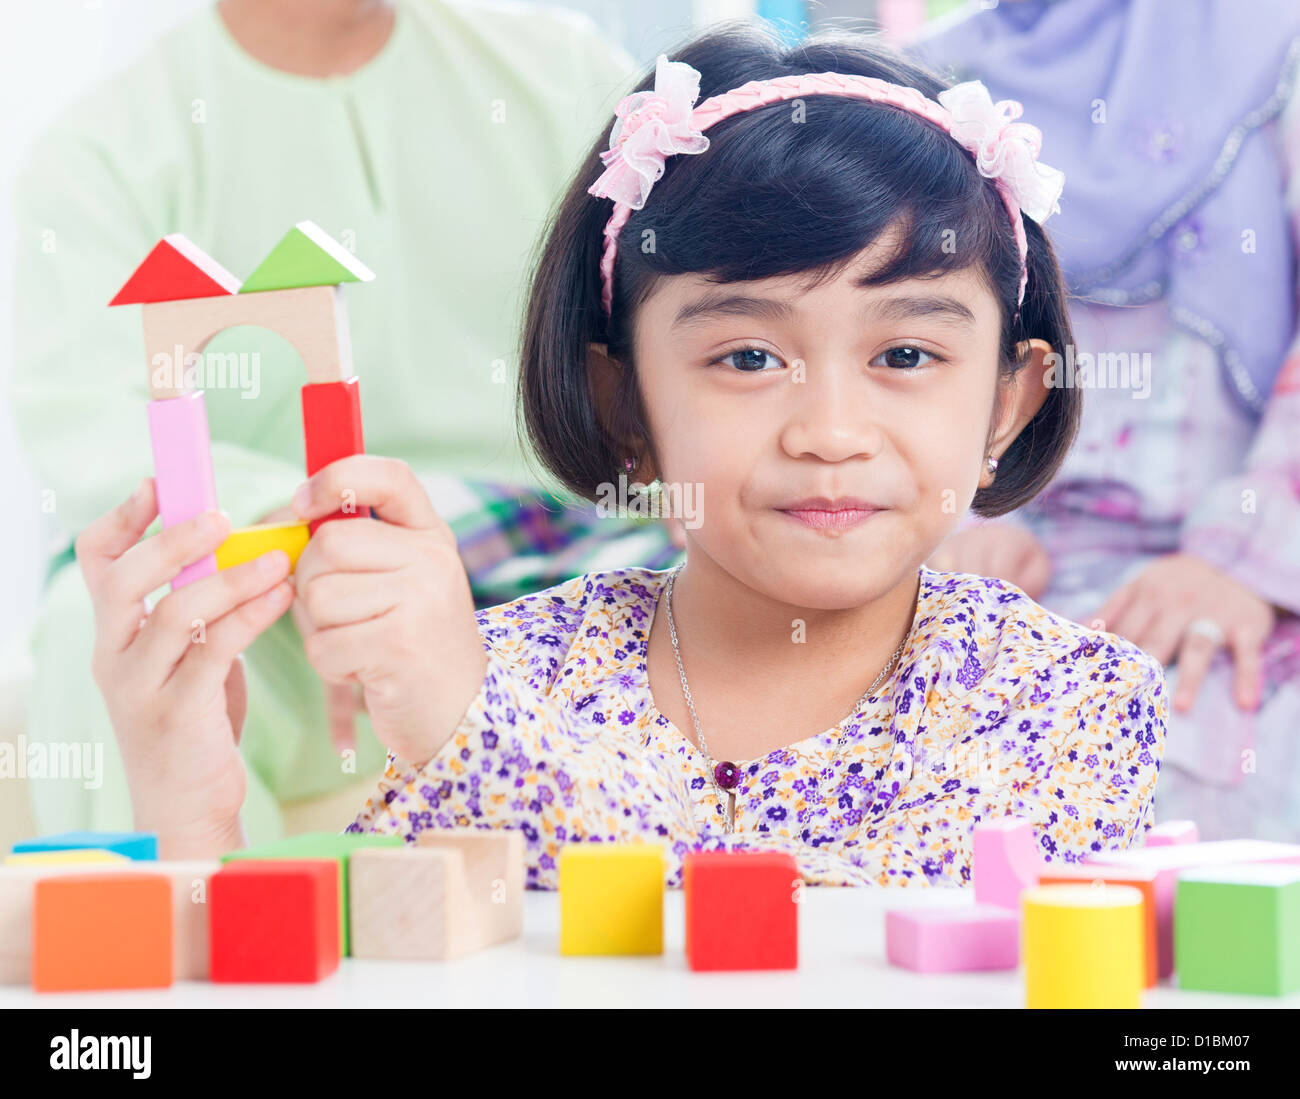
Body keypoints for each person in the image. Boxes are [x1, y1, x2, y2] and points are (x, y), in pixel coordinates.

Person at [74, 22, 1166, 886]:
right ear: (624, 399)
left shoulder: (1065, 698)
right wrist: (190, 811)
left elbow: (792, 958)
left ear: (1008, 404)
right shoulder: (497, 671)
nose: (828, 431)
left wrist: (474, 735)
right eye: (746, 356)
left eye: (907, 352)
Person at [9, 0, 683, 846]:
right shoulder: (104, 151)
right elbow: (91, 419)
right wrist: (306, 537)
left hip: (558, 548)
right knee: (102, 627)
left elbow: (678, 327)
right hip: (275, 586)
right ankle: (205, 944)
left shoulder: (562, 77)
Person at [910, 0, 1300, 841]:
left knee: (1217, 777)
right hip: (996, 573)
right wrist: (951, 521)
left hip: (1253, 576)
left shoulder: (1280, 48)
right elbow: (883, 337)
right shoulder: (923, 80)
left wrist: (1243, 559)